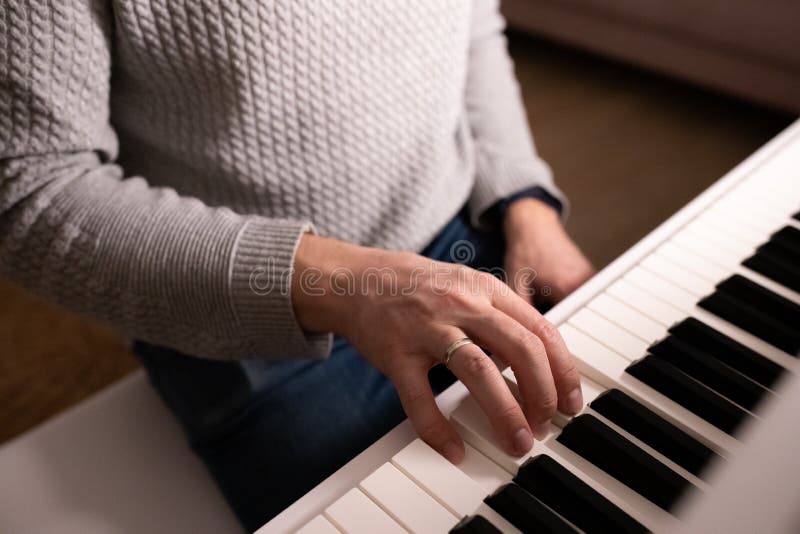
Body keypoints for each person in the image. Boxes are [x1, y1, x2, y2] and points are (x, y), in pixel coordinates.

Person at [0, 0, 594, 529]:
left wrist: (525, 202)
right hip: (258, 322)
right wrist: (351, 284)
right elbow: (30, 190)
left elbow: (472, 26)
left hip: (467, 237)